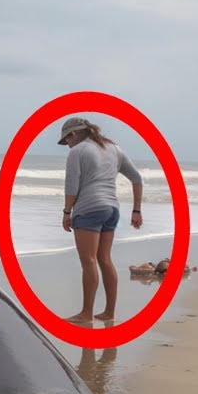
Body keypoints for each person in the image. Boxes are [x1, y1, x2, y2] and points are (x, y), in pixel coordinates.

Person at [58, 116, 143, 324]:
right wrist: (136, 210)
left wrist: (67, 212)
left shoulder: (77, 152)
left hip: (89, 209)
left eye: (66, 140)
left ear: (74, 134)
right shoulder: (114, 149)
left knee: (88, 261)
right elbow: (137, 178)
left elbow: (71, 186)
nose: (67, 145)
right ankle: (109, 312)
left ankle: (86, 313)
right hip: (112, 209)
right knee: (105, 259)